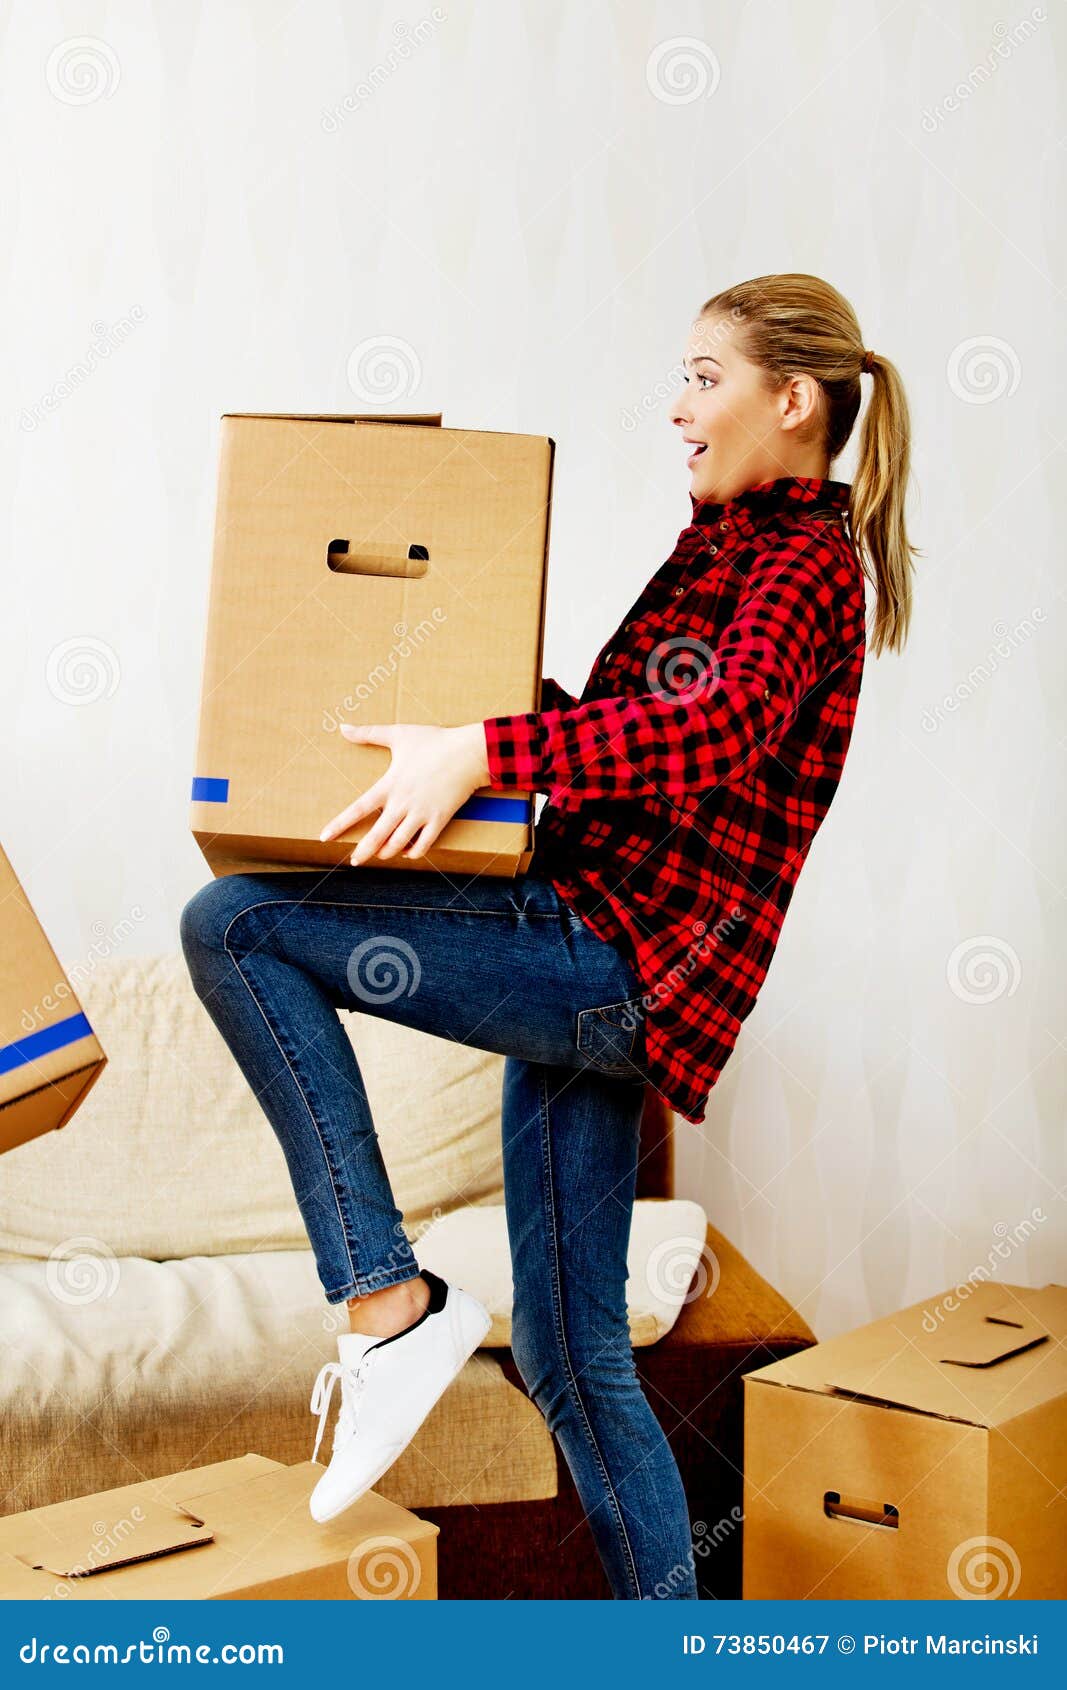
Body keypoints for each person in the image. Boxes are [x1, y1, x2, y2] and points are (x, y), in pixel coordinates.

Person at [180, 271, 916, 1600]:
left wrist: (483, 745)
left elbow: (718, 728)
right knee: (579, 1362)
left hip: (613, 959)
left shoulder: (805, 564)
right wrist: (473, 672)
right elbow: (626, 740)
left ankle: (388, 1306)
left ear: (793, 399)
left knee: (235, 925)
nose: (678, 406)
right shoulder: (725, 545)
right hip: (601, 952)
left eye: (706, 375)